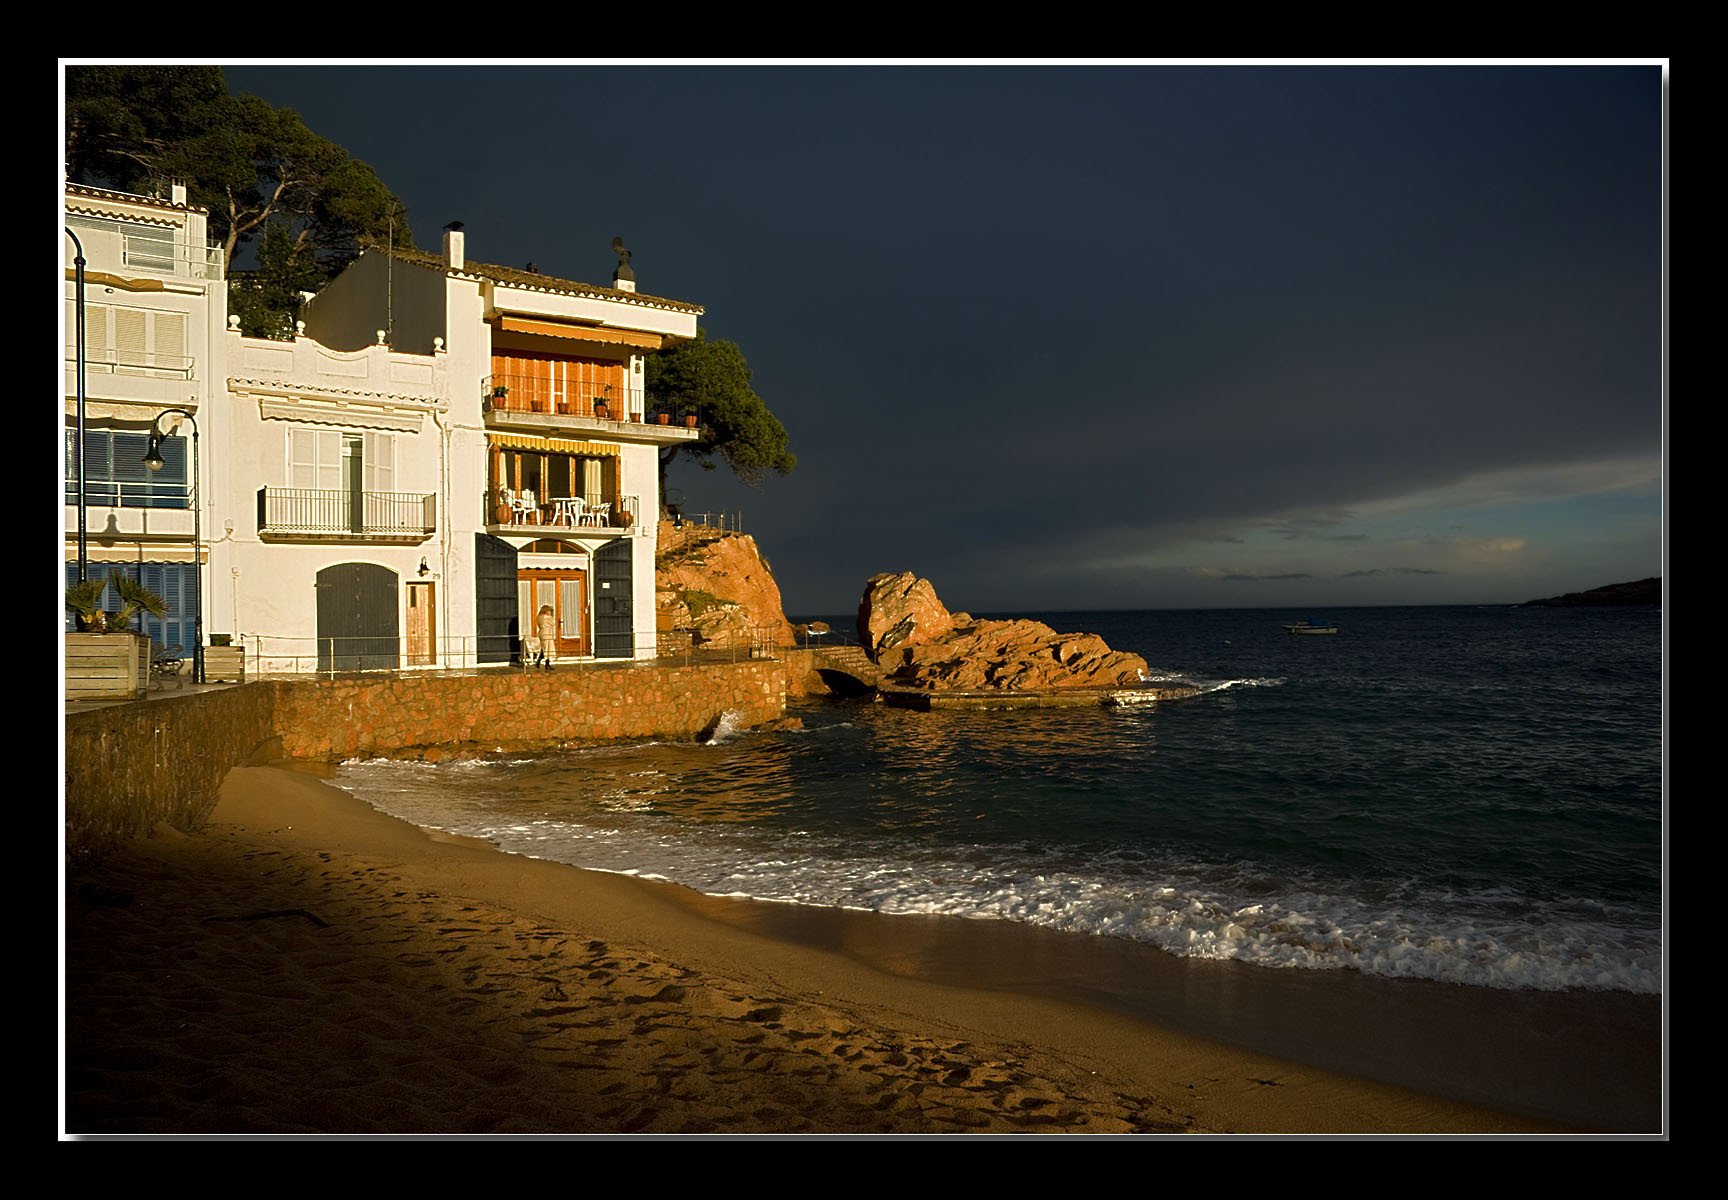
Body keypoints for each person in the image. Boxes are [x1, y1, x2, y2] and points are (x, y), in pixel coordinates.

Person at [536, 604, 557, 671]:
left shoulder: (539, 617)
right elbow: (553, 623)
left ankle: (540, 662)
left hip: (542, 632)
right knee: (547, 649)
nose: (549, 612)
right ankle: (546, 663)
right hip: (546, 633)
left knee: (544, 648)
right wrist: (552, 615)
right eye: (549, 610)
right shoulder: (546, 617)